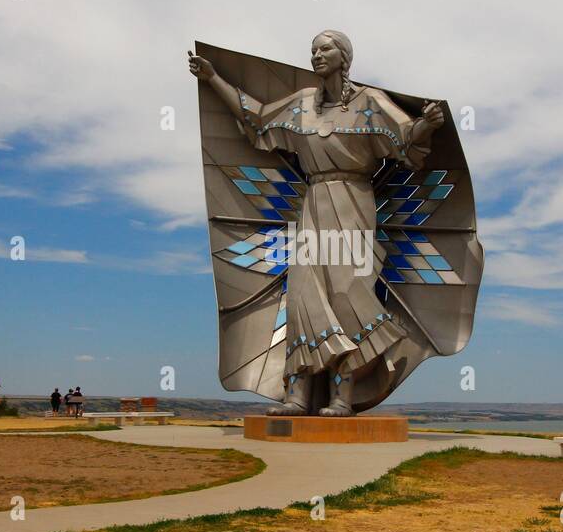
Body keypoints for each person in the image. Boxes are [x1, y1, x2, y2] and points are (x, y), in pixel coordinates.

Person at [188, 30, 444, 416]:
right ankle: (299, 394)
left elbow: (406, 139)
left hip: (354, 203)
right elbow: (254, 118)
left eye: (325, 49)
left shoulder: (370, 103)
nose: (316, 55)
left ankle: (342, 397)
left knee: (346, 295)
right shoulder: (301, 105)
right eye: (313, 50)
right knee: (305, 293)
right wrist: (212, 79)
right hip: (314, 203)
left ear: (345, 58)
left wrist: (428, 123)